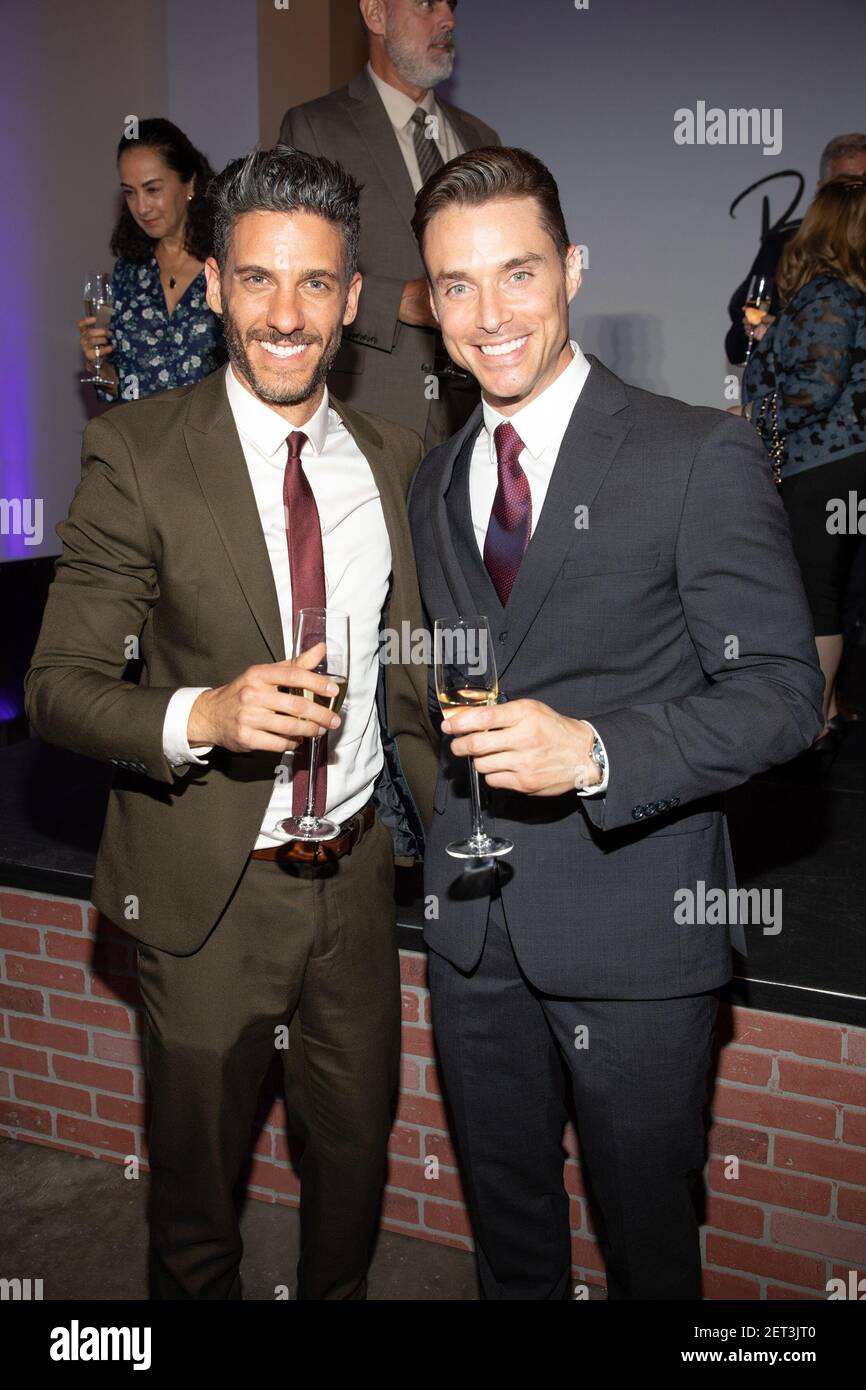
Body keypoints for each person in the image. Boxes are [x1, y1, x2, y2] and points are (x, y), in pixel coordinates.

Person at [407, 146, 824, 1300]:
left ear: (573, 270)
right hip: (471, 934)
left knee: (647, 1247)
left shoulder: (696, 452)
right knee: (510, 1237)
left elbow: (786, 694)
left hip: (637, 932)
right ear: (427, 300)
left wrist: (593, 751)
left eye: (517, 273)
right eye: (453, 285)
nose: (487, 316)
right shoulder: (434, 482)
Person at [28, 145, 438, 1300]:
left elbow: (423, 677)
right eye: (256, 279)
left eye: (314, 284)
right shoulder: (138, 455)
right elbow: (58, 686)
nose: (284, 314)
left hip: (357, 887)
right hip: (208, 891)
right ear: (212, 284)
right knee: (198, 1204)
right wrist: (204, 711)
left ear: (353, 301)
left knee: (351, 1175)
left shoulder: (398, 461)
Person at [279, 0, 499, 447]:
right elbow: (296, 272)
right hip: (370, 413)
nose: (448, 19)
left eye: (450, 5)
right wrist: (399, 300)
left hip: (479, 416)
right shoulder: (315, 128)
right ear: (375, 14)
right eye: (426, 4)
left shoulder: (482, 139)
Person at [742, 176, 866, 758]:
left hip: (826, 463)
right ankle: (827, 709)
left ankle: (813, 718)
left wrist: (751, 413)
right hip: (830, 464)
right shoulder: (829, 294)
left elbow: (815, 389)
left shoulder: (831, 295)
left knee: (816, 594)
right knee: (825, 593)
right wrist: (771, 338)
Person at [78, 118, 227, 402]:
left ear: (190, 183)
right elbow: (123, 389)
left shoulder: (226, 263)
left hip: (213, 441)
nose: (142, 207)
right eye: (130, 193)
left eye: (153, 189)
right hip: (142, 441)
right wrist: (100, 366)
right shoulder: (129, 272)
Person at [726, 132, 866, 364]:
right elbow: (739, 346)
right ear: (822, 192)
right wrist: (781, 333)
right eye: (845, 189)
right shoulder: (788, 248)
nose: (857, 198)